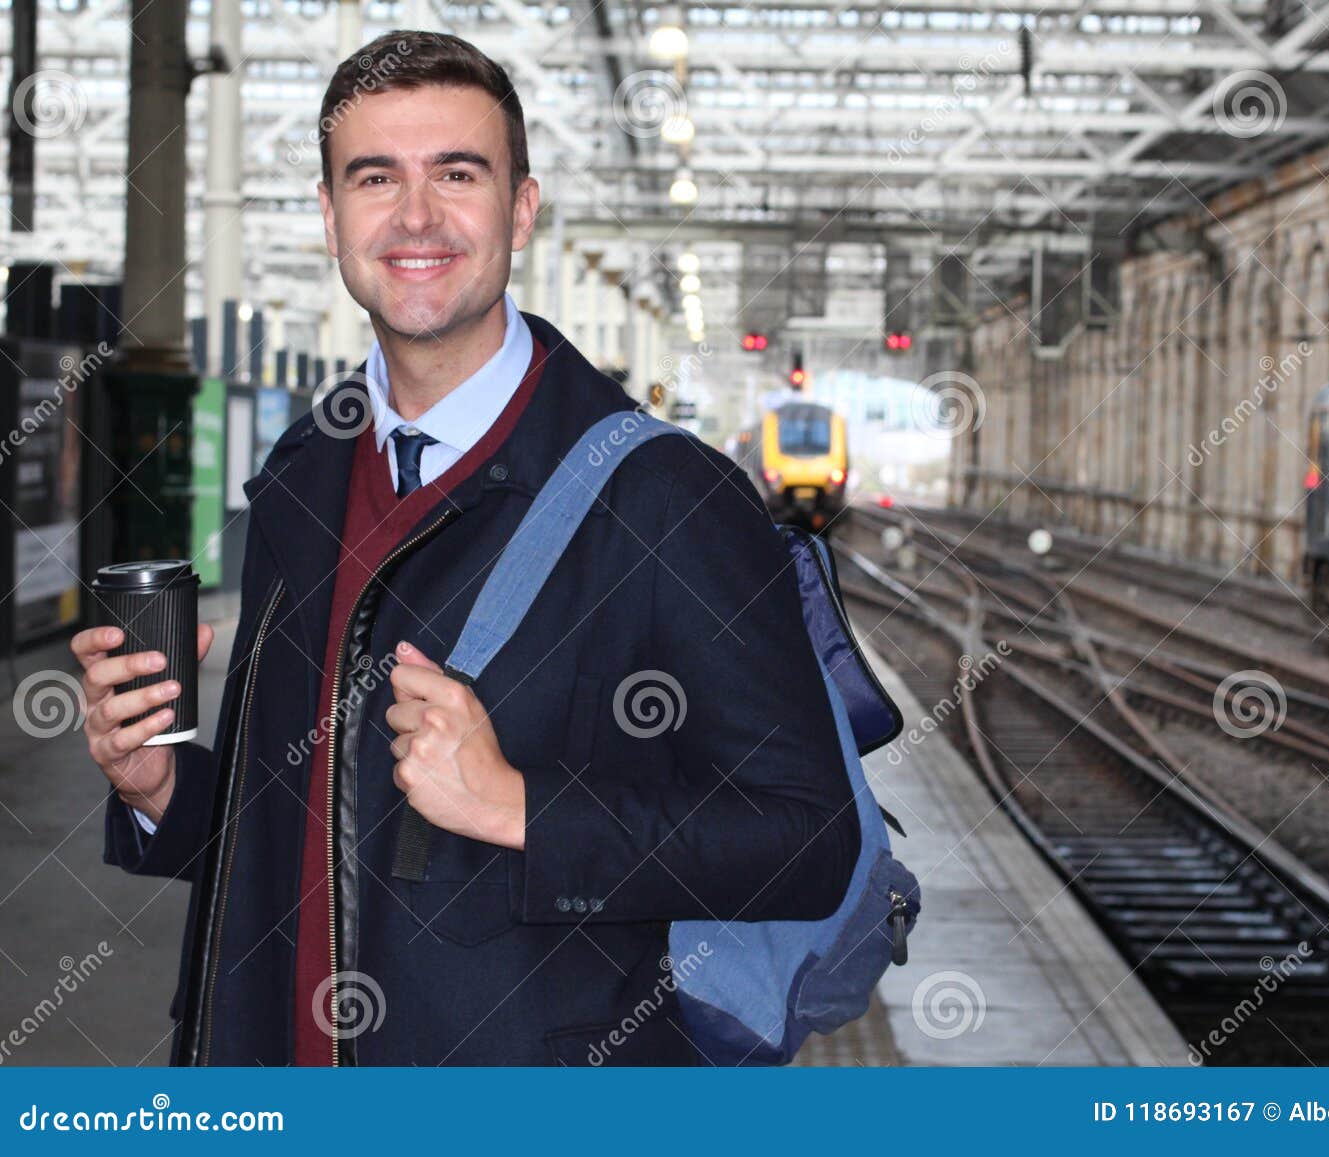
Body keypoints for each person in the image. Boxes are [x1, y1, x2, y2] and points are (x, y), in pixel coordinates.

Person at [70, 30, 858, 1066]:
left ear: (521, 209)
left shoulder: (663, 494)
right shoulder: (303, 475)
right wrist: (161, 787)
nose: (414, 217)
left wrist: (524, 808)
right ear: (329, 217)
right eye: (374, 178)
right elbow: (311, 822)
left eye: (456, 172)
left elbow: (807, 840)